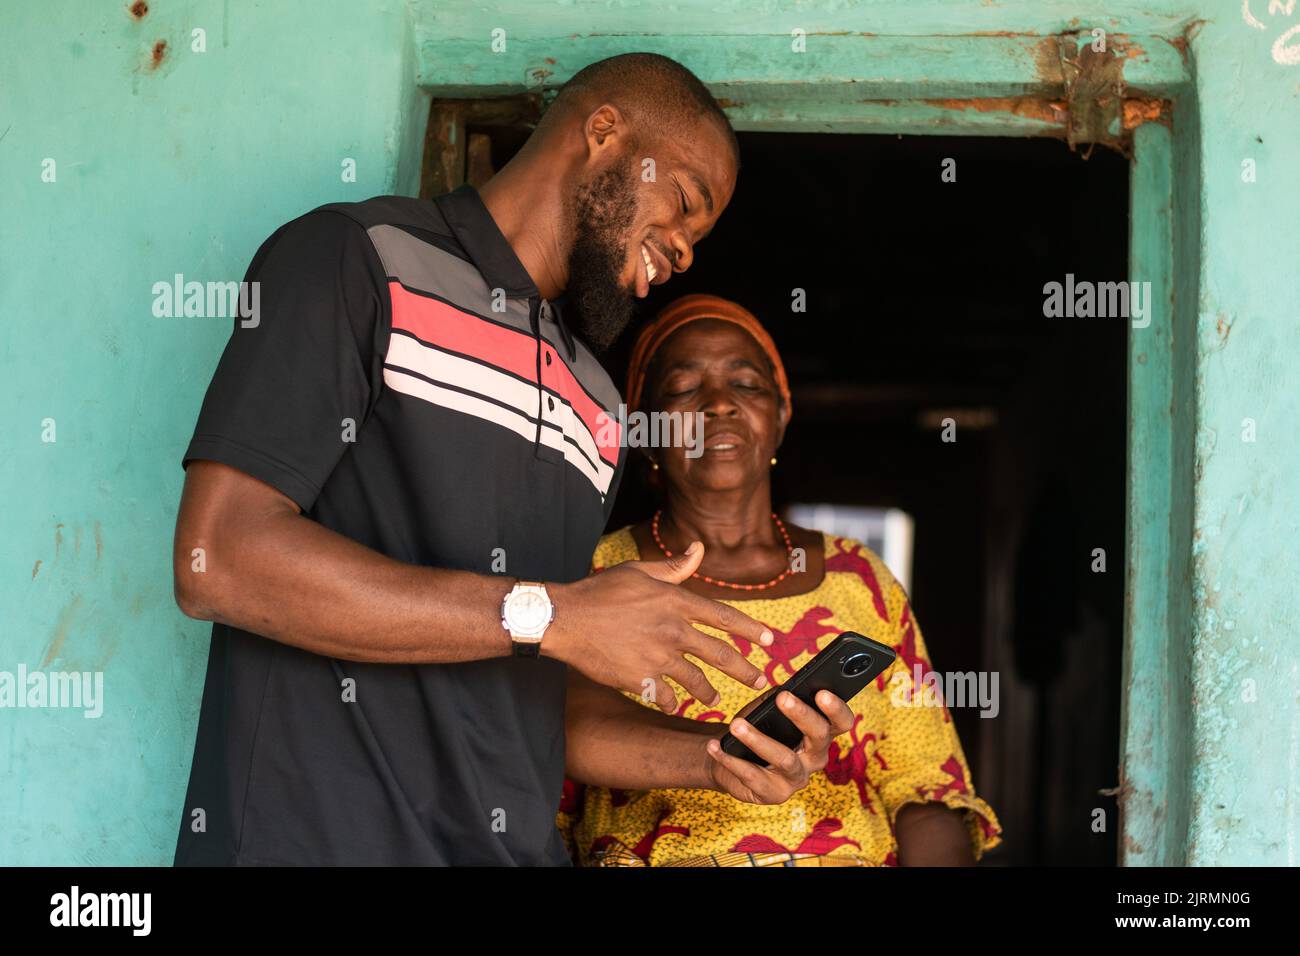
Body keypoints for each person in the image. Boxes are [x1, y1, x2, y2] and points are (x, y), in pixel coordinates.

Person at [170, 54, 855, 867]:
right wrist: (556, 614)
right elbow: (221, 560)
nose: (685, 251)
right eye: (683, 204)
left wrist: (715, 759)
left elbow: (536, 676)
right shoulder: (358, 260)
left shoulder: (596, 401)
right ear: (603, 133)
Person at [557, 294, 1003, 866]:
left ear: (780, 417)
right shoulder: (593, 574)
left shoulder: (860, 579)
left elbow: (924, 792)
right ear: (643, 429)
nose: (718, 405)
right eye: (683, 388)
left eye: (745, 385)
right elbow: (549, 773)